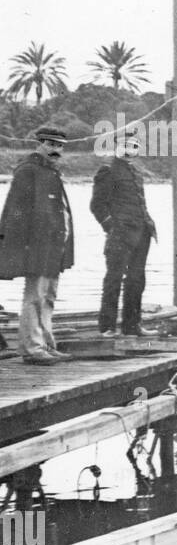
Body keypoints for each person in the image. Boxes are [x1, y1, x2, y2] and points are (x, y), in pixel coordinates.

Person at [0, 124, 74, 365]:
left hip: (54, 247)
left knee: (49, 296)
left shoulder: (51, 171)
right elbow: (15, 212)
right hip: (37, 246)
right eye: (51, 144)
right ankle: (32, 348)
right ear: (39, 144)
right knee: (35, 296)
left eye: (59, 146)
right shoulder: (28, 171)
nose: (55, 150)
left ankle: (46, 344)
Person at [91, 132, 156, 337]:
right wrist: (112, 227)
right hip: (120, 234)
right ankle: (108, 327)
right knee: (114, 279)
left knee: (137, 279)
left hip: (142, 232)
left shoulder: (136, 172)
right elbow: (97, 205)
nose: (131, 149)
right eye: (127, 145)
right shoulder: (108, 170)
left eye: (135, 145)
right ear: (117, 146)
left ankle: (132, 326)